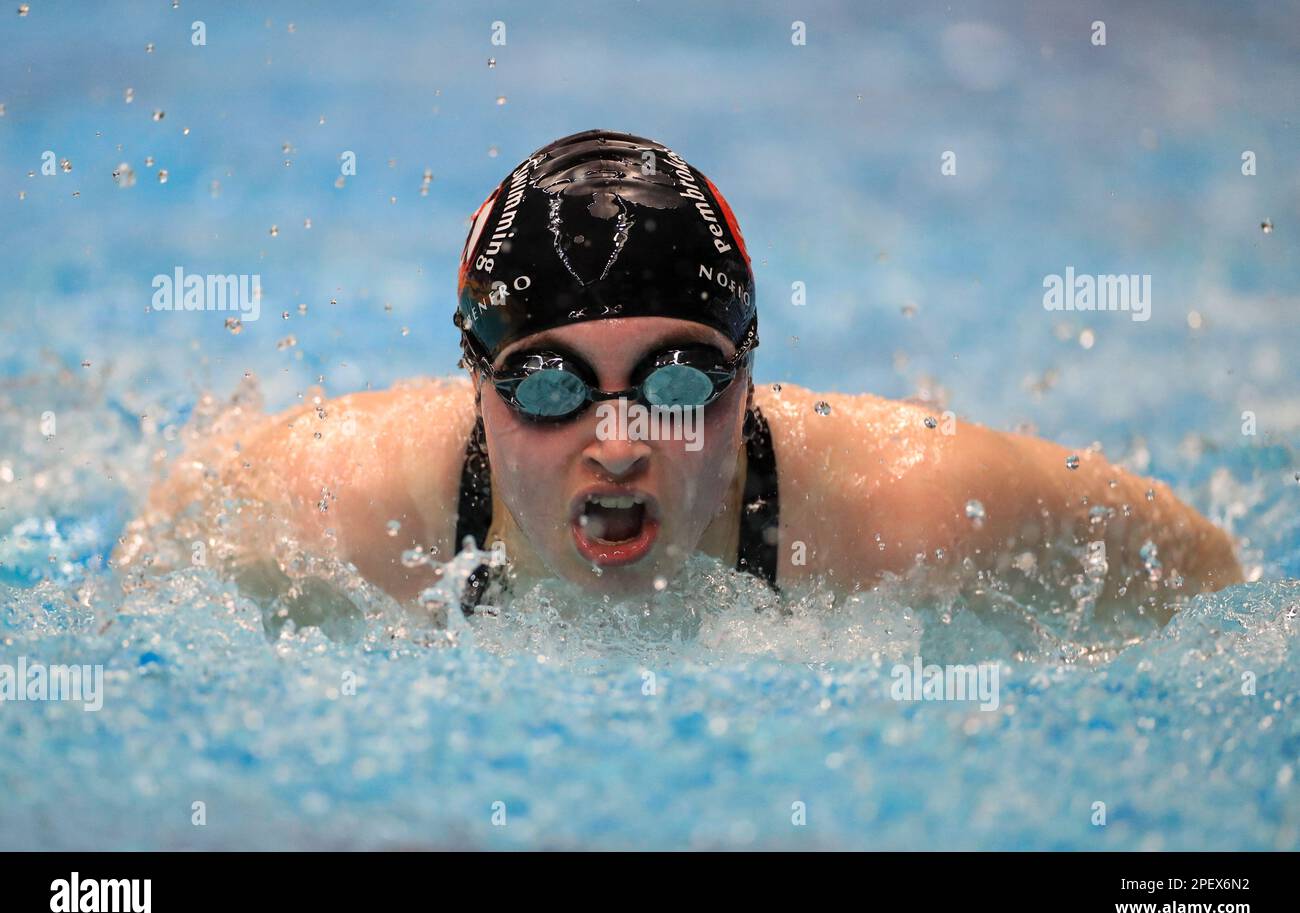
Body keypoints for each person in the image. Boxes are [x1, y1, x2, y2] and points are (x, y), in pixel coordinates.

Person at [116, 129, 1242, 626]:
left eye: (676, 382)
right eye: (551, 384)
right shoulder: (330, 508)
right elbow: (149, 574)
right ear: (475, 387)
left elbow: (1210, 578)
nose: (617, 440)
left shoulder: (916, 507)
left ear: (750, 384)